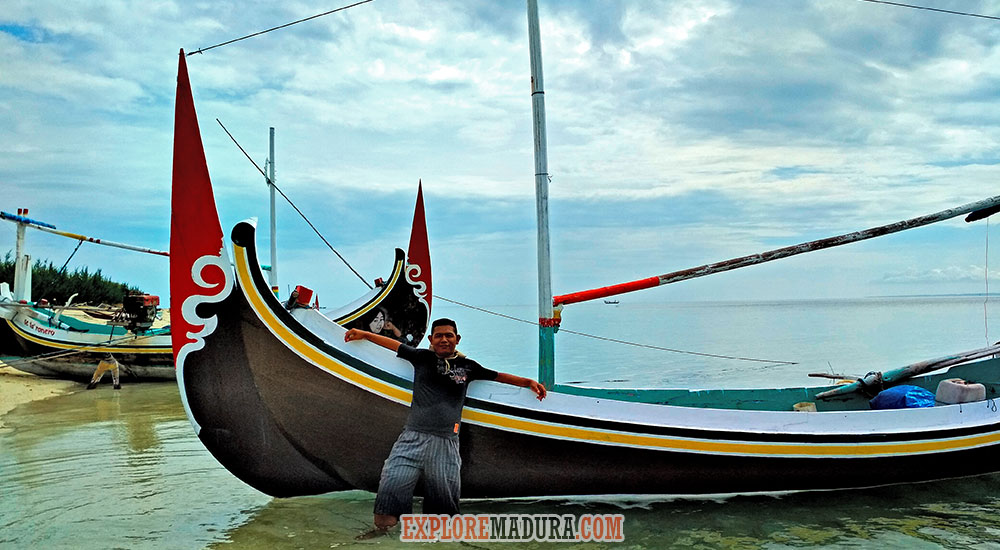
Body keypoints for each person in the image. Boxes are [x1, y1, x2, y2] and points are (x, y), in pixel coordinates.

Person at [344, 318, 546, 539]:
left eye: (449, 335)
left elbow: (497, 376)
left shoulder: (469, 367)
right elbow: (394, 345)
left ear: (457, 339)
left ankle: (439, 540)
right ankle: (381, 533)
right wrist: (365, 334)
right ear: (431, 339)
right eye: (438, 335)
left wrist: (528, 382)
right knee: (391, 486)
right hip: (411, 438)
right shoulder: (422, 357)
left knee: (443, 510)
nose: (444, 339)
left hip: (446, 443)